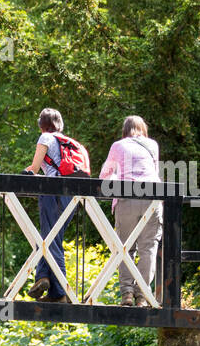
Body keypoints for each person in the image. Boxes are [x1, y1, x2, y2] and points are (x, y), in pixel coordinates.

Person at [25, 108, 89, 304]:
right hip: (72, 196)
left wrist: (24, 174)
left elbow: (34, 169)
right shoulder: (73, 143)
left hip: (53, 193)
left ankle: (60, 291)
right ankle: (45, 282)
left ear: (42, 124)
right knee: (51, 238)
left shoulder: (45, 139)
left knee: (50, 240)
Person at [100, 115, 162, 306]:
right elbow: (154, 171)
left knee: (125, 249)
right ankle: (142, 295)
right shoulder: (153, 145)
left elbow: (105, 175)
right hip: (152, 199)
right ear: (143, 129)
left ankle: (127, 293)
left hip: (127, 199)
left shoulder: (118, 146)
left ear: (124, 130)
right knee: (148, 248)